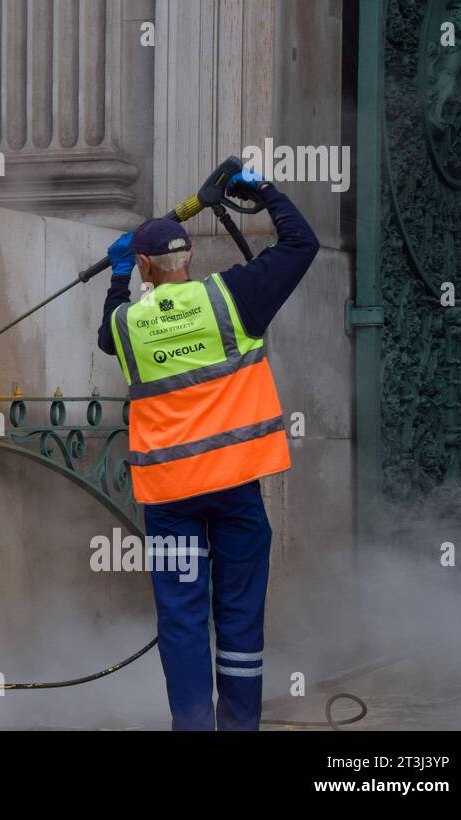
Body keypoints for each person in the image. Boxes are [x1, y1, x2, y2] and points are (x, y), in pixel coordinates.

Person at [97, 170, 319, 730]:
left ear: (146, 267)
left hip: (170, 501)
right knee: (240, 618)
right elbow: (302, 243)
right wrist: (264, 192)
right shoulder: (233, 296)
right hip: (236, 492)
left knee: (182, 621)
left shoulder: (128, 326)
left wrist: (117, 276)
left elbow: (106, 330)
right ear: (190, 256)